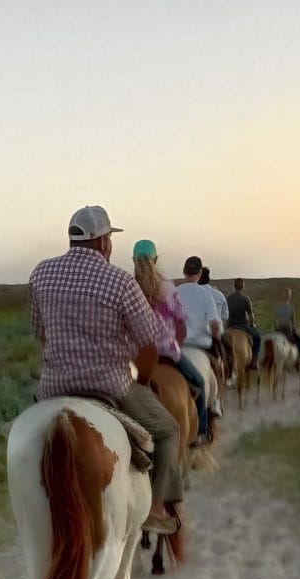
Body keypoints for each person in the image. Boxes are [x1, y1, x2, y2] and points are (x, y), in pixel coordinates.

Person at [29, 205, 182, 536]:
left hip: (53, 387)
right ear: (102, 243)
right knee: (168, 430)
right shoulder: (120, 281)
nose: (110, 245)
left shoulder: (41, 274)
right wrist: (140, 380)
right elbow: (149, 345)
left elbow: (40, 332)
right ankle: (156, 509)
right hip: (110, 385)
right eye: (109, 238)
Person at [132, 239, 210, 444]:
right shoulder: (168, 288)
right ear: (156, 259)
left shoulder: (128, 287)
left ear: (133, 261)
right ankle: (201, 433)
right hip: (167, 353)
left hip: (136, 357)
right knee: (199, 383)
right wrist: (175, 342)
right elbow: (181, 326)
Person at [175, 255, 222, 361]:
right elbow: (214, 326)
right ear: (200, 273)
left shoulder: (174, 293)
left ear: (184, 271)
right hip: (201, 346)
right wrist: (217, 342)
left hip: (177, 347)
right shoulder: (206, 295)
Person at [226, 277, 261, 367]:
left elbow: (225, 314)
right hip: (242, 325)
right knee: (257, 337)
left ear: (234, 286)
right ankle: (254, 359)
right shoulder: (246, 299)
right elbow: (250, 316)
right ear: (243, 287)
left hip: (230, 325)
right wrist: (253, 324)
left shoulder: (228, 298)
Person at [274, 287, 300, 365]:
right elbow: (293, 321)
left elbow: (275, 320)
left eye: (288, 294)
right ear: (289, 296)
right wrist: (294, 329)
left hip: (279, 329)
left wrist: (277, 328)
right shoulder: (291, 308)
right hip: (288, 329)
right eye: (288, 294)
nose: (288, 296)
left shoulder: (277, 307)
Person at [198, 267, 229, 332]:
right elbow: (225, 317)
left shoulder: (192, 294)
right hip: (218, 335)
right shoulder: (219, 295)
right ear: (208, 279)